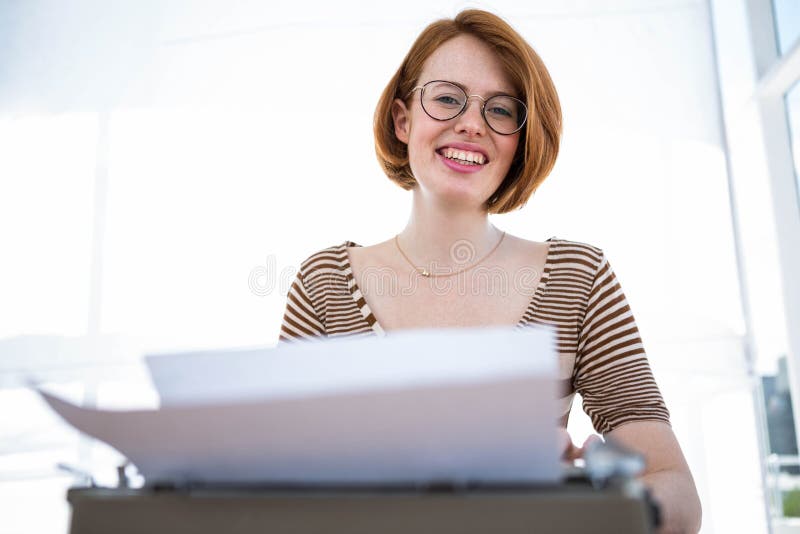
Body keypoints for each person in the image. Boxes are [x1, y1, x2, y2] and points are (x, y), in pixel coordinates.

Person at [279, 9, 701, 533]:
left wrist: (598, 502)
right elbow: (277, 488)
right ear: (402, 119)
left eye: (502, 110)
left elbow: (675, 487)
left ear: (520, 142)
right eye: (447, 98)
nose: (472, 123)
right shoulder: (324, 285)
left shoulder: (579, 277)